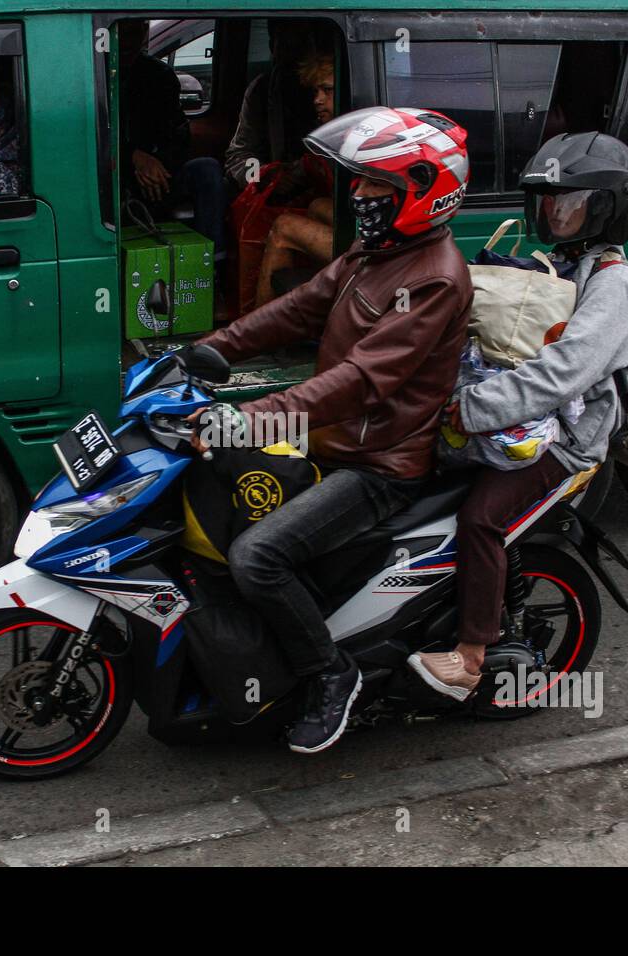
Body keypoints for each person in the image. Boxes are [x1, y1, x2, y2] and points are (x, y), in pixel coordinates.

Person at [190, 107, 473, 754]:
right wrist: (209, 349)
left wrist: (249, 419)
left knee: (257, 557)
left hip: (377, 467)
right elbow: (300, 307)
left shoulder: (433, 278)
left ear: (422, 192)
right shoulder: (375, 251)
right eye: (360, 181)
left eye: (377, 186)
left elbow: (360, 381)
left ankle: (330, 675)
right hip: (330, 442)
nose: (359, 195)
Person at [408, 132, 628, 701]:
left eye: (568, 203)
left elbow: (559, 375)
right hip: (518, 425)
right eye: (547, 202)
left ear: (607, 209)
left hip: (565, 440)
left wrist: (472, 409)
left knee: (481, 518)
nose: (553, 214)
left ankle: (470, 656)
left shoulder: (614, 284)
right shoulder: (556, 263)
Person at [117, 20, 226, 260]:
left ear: (144, 31)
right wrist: (133, 157)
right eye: (121, 32)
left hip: (160, 178)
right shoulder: (90, 73)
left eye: (134, 31)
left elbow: (178, 137)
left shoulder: (159, 75)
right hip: (109, 180)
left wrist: (156, 165)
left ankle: (212, 265)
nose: (126, 41)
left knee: (207, 169)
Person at [253, 53, 336, 306]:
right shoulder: (336, 138)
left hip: (378, 247)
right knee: (316, 205)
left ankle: (260, 336)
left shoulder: (366, 140)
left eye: (327, 90)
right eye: (316, 91)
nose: (318, 100)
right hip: (365, 232)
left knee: (284, 228)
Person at [223, 19, 332, 190]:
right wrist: (264, 176)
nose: (318, 99)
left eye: (300, 42)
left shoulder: (341, 84)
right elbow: (240, 156)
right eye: (286, 44)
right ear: (272, 46)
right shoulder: (262, 91)